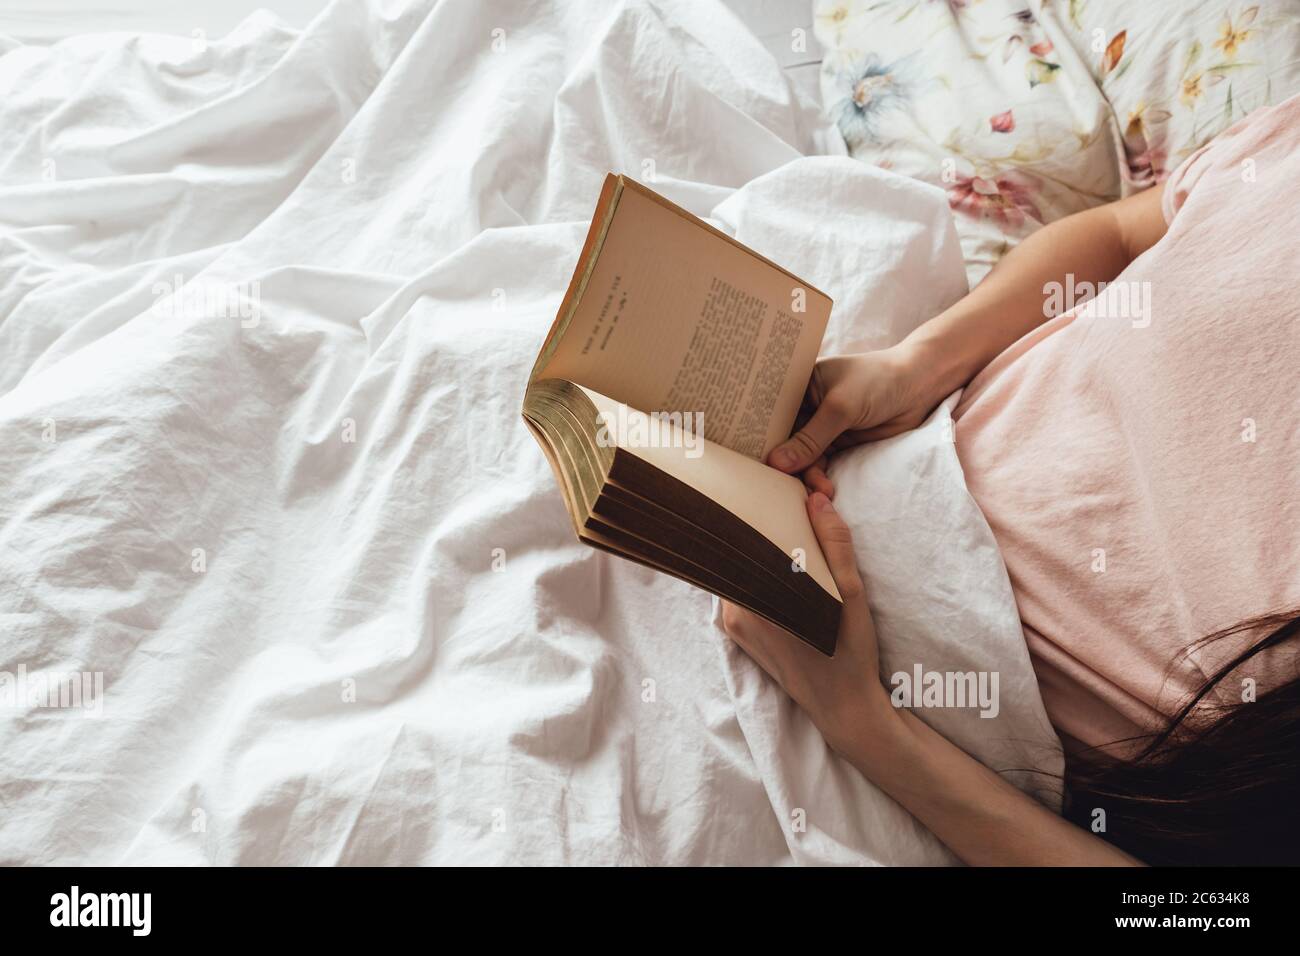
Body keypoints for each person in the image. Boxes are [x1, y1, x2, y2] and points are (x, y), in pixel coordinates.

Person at [721, 94, 1300, 865]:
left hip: (902, 753)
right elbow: (1122, 233)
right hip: (874, 448)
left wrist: (856, 718)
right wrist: (915, 366)